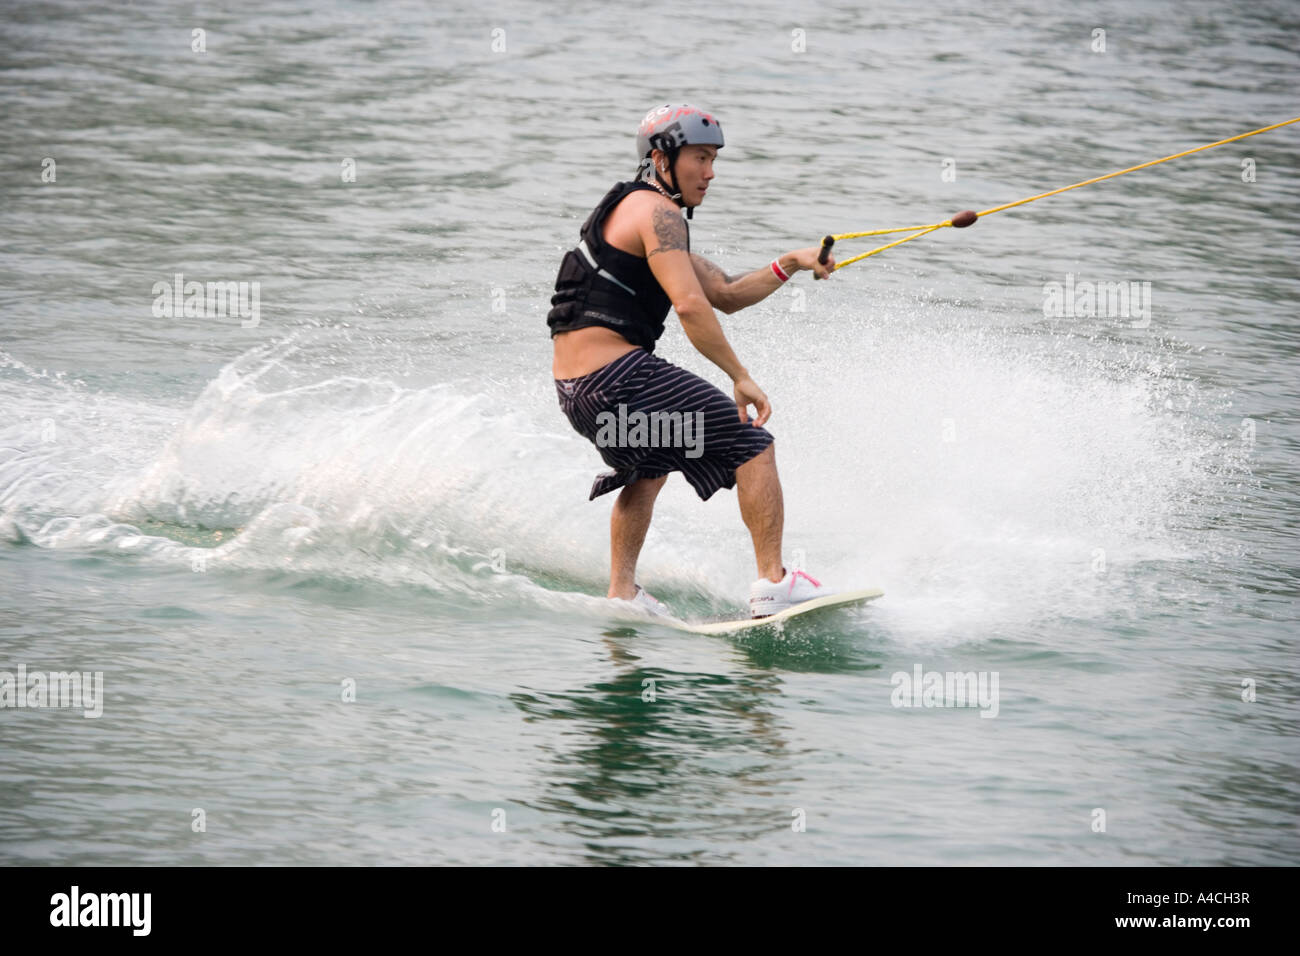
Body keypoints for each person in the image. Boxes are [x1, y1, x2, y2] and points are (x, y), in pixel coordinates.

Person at [548, 102, 836, 619]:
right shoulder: (658, 212)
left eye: (714, 160)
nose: (710, 172)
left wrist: (792, 262)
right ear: (662, 160)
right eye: (699, 158)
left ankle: (623, 593)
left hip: (579, 394)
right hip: (617, 380)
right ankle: (773, 583)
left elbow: (724, 292)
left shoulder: (635, 215)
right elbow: (689, 305)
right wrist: (740, 377)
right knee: (752, 445)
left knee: (648, 468)